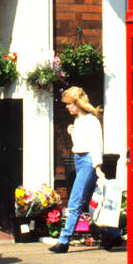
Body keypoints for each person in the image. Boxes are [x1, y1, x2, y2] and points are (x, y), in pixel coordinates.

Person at [49, 86, 105, 254]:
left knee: (74, 201)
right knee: (88, 202)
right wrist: (71, 132)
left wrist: (98, 168)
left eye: (69, 104)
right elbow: (80, 143)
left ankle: (64, 241)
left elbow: (96, 145)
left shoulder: (91, 121)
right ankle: (113, 233)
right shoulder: (78, 121)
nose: (67, 107)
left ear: (77, 103)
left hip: (88, 162)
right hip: (79, 160)